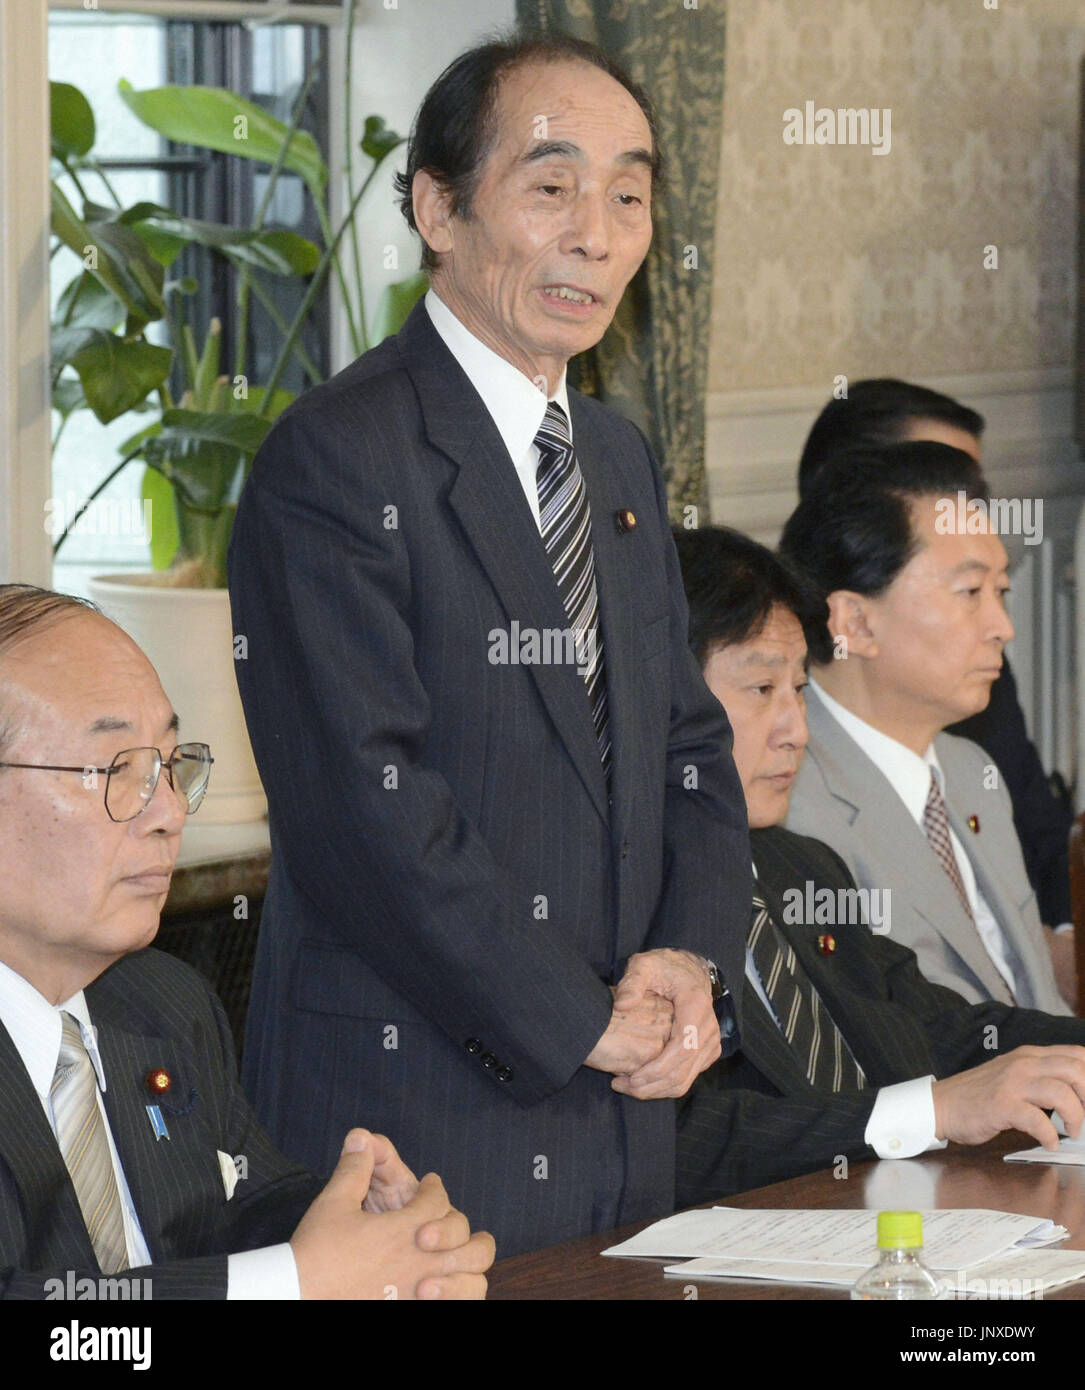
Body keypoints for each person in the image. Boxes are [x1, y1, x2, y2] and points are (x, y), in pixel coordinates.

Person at [227, 33, 749, 1257]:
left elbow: (687, 747)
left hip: (626, 1111)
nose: (596, 232)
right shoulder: (339, 457)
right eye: (550, 184)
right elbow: (367, 809)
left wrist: (687, 960)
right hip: (420, 1111)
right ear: (436, 207)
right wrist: (578, 1017)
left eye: (628, 195)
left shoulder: (614, 457)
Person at [0, 585, 493, 1299]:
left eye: (169, 765)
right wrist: (292, 1283)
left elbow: (239, 1208)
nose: (169, 812)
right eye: (117, 770)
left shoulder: (163, 1002)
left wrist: (369, 1235)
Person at [672, 527, 1085, 1205]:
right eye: (759, 689)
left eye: (799, 689)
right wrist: (932, 1111)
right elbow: (685, 1142)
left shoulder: (795, 866)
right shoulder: (614, 899)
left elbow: (939, 1028)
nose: (795, 728)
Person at [779, 442, 1068, 1014]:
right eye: (970, 593)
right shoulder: (792, 804)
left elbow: (1038, 1003)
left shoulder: (969, 769)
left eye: (1002, 592)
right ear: (856, 622)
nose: (1003, 628)